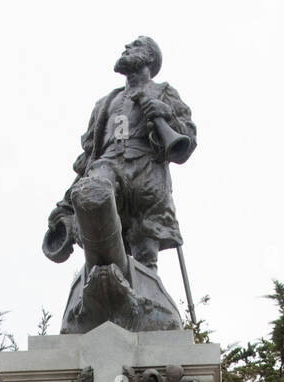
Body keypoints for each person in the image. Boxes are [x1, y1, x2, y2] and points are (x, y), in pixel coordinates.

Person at [44, 36, 196, 271]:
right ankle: (102, 276)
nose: (126, 48)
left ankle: (146, 293)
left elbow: (186, 141)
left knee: (146, 252)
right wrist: (66, 205)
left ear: (150, 57)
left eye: (135, 46)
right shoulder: (105, 103)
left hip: (147, 175)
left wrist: (166, 114)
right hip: (109, 164)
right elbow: (88, 157)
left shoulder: (164, 92)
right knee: (93, 192)